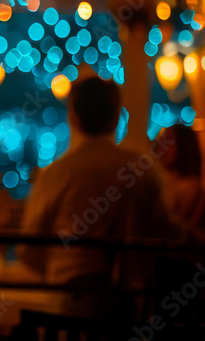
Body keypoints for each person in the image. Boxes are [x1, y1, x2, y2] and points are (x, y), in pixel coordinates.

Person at [20, 76, 194, 318]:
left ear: (74, 118)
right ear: (115, 117)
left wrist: (58, 272)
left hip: (66, 307)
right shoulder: (138, 167)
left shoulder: (56, 173)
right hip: (125, 305)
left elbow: (29, 248)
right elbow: (164, 229)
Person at [155, 123, 205, 230]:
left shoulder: (188, 187)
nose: (161, 148)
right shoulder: (163, 179)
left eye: (168, 142)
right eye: (161, 141)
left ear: (184, 145)